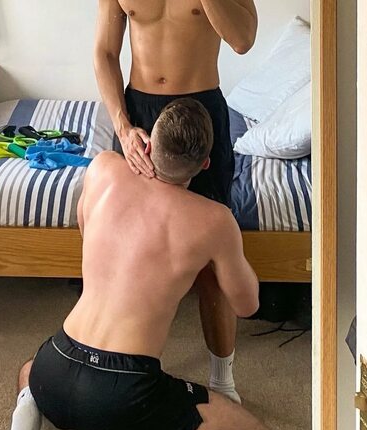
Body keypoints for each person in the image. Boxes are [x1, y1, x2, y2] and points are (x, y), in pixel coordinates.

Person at [1, 99, 275, 430]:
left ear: (146, 144)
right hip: (123, 394)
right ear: (204, 165)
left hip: (54, 367)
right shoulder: (215, 219)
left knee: (30, 368)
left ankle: (26, 417)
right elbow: (247, 305)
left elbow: (86, 229)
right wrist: (227, 255)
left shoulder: (103, 168)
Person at [94, 0, 258, 404]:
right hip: (140, 116)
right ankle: (127, 370)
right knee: (133, 252)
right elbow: (106, 52)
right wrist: (122, 126)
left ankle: (222, 382)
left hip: (200, 114)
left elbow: (242, 40)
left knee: (212, 260)